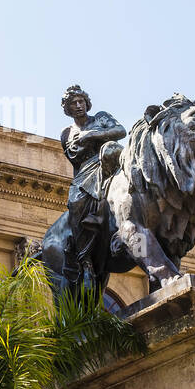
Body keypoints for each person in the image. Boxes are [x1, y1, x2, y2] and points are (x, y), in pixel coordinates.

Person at [58, 85, 126, 294]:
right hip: (85, 172)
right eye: (73, 103)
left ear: (87, 103)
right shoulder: (67, 134)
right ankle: (85, 259)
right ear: (68, 109)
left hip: (109, 160)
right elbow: (75, 162)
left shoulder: (101, 118)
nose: (78, 106)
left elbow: (121, 131)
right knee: (75, 201)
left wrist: (91, 136)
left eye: (81, 101)